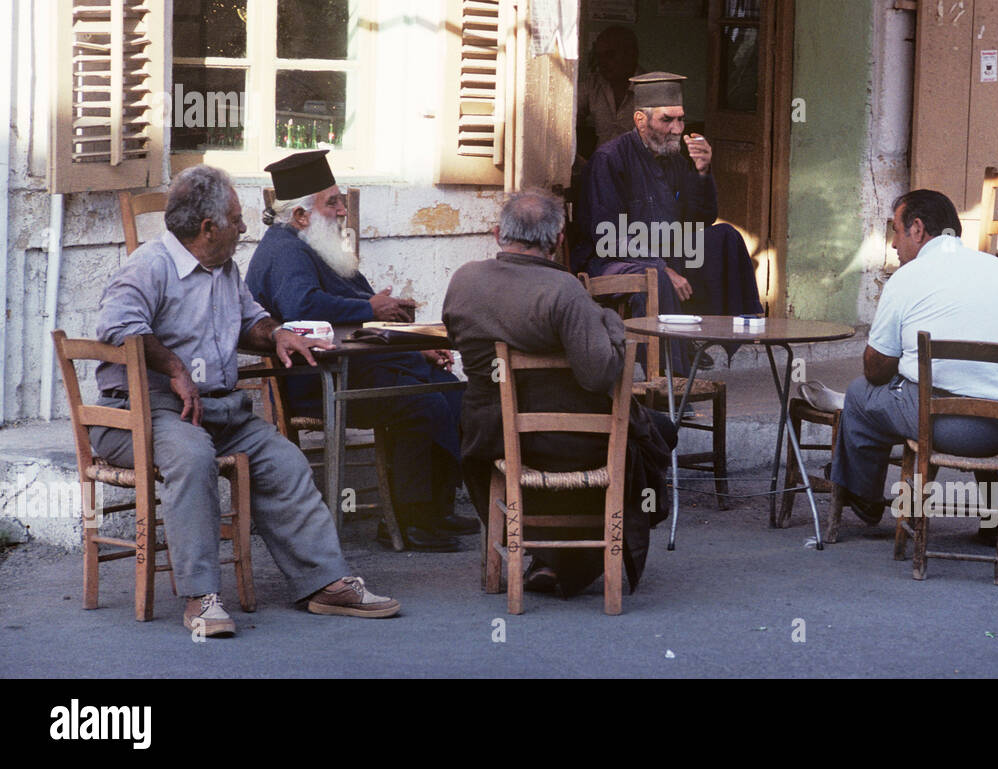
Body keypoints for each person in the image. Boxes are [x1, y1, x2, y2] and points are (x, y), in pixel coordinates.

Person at [92, 165, 400, 637]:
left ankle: (325, 583)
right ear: (207, 227)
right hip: (140, 411)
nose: (244, 227)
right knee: (193, 458)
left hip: (215, 410)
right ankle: (201, 597)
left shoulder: (225, 268)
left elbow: (250, 320)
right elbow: (118, 327)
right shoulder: (149, 265)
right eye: (236, 219)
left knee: (284, 459)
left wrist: (278, 335)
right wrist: (175, 368)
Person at [443, 190, 673, 597]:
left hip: (485, 436)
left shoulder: (463, 280)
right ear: (559, 239)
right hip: (559, 444)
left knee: (643, 429)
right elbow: (600, 374)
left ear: (499, 233)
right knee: (655, 431)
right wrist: (610, 322)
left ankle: (549, 559)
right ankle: (567, 561)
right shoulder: (563, 289)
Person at [246, 150, 475, 552]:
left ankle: (435, 510)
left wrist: (412, 346)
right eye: (331, 202)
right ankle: (406, 521)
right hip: (314, 379)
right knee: (420, 403)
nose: (341, 211)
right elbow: (303, 310)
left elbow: (359, 311)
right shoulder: (285, 251)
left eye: (340, 200)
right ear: (300, 215)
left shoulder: (319, 244)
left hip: (355, 365)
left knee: (449, 387)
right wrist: (370, 308)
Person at [830, 190, 998, 541]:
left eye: (896, 231)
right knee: (988, 393)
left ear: (917, 229)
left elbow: (876, 371)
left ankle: (865, 498)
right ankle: (994, 518)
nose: (893, 244)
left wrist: (904, 363)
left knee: (860, 394)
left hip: (952, 427)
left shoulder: (907, 277)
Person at [571, 71, 762, 369]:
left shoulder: (673, 158)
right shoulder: (610, 159)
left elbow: (700, 220)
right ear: (640, 120)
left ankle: (725, 335)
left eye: (681, 119)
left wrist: (702, 172)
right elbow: (607, 237)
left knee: (724, 237)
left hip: (664, 249)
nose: (677, 129)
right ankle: (670, 376)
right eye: (667, 120)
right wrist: (660, 266)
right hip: (610, 258)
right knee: (658, 278)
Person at [575, 25, 641, 159]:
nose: (602, 63)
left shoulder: (651, 88)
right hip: (601, 167)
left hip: (637, 172)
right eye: (599, 56)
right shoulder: (593, 84)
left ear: (631, 54)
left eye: (610, 55)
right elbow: (566, 115)